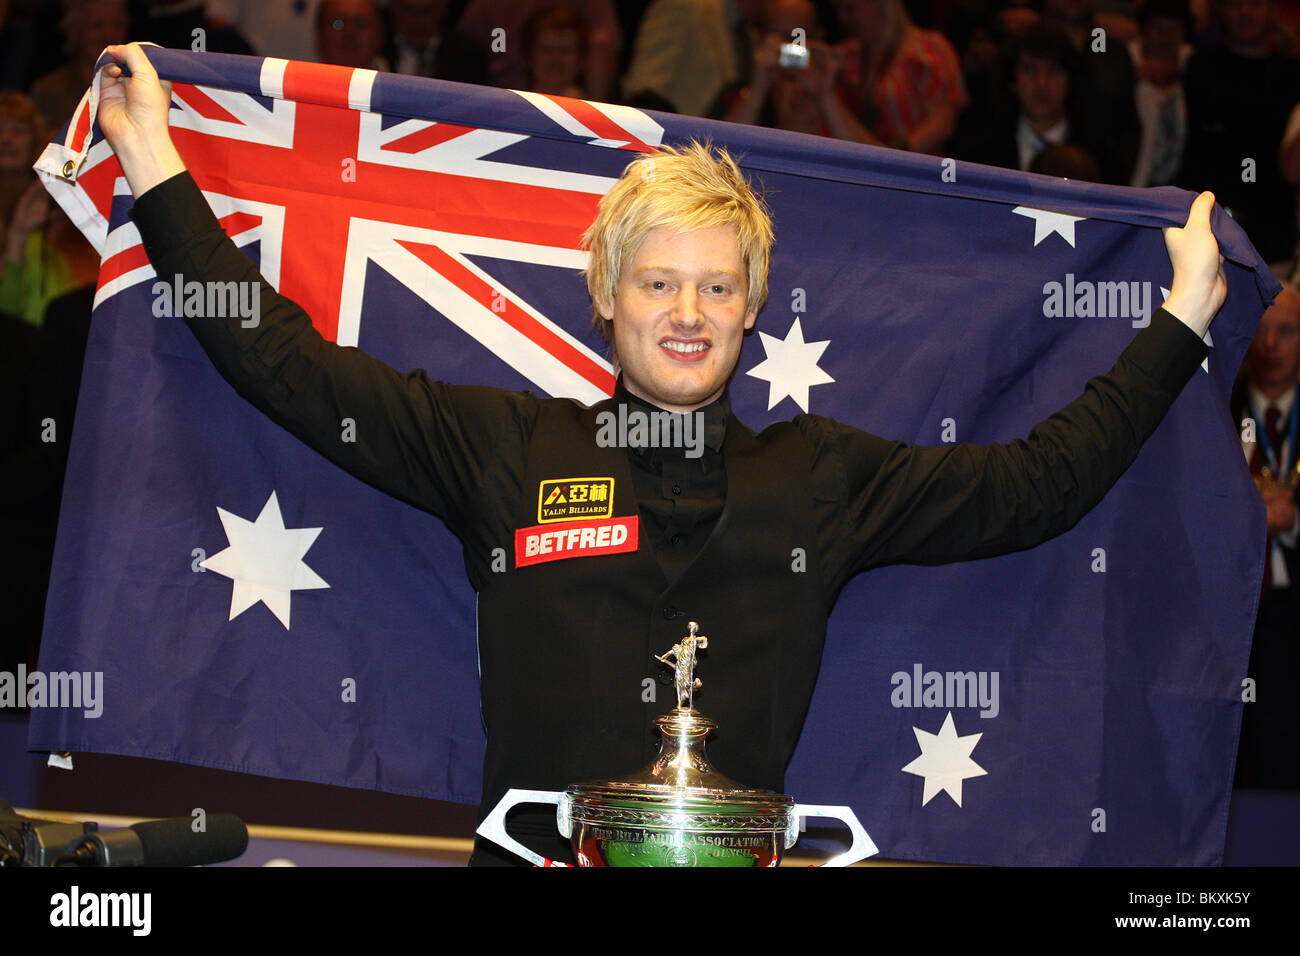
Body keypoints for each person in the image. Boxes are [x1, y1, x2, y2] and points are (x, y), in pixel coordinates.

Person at [96, 42, 1227, 865]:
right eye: (657, 281)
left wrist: (1177, 320)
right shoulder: (503, 448)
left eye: (716, 286)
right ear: (606, 296)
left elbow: (1039, 485)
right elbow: (280, 363)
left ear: (749, 311)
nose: (686, 311)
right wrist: (151, 157)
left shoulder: (819, 478)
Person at [1231, 284, 1300, 788]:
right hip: (1231, 621)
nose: (1270, 345)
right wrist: (1249, 517)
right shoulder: (1212, 411)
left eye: (1287, 331)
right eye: (1260, 331)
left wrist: (1291, 522)